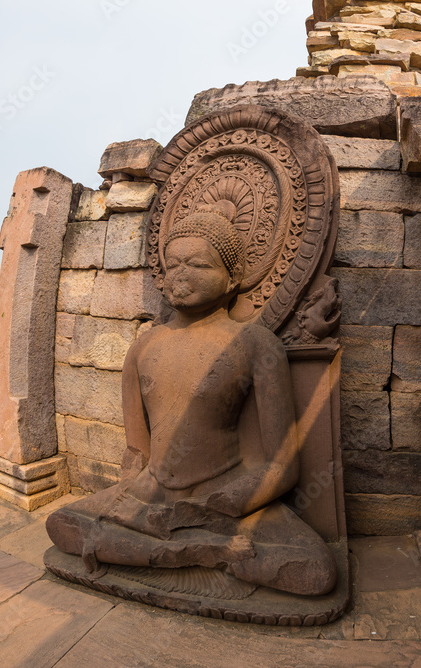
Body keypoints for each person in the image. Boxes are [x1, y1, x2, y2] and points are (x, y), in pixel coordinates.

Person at [46, 206, 336, 597]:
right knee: (62, 524)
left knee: (316, 569)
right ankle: (201, 553)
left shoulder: (254, 344)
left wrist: (214, 507)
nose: (181, 274)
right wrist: (134, 498)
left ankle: (163, 548)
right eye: (173, 265)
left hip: (226, 495)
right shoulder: (143, 347)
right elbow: (137, 450)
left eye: (199, 263)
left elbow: (283, 467)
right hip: (151, 492)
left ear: (233, 278)